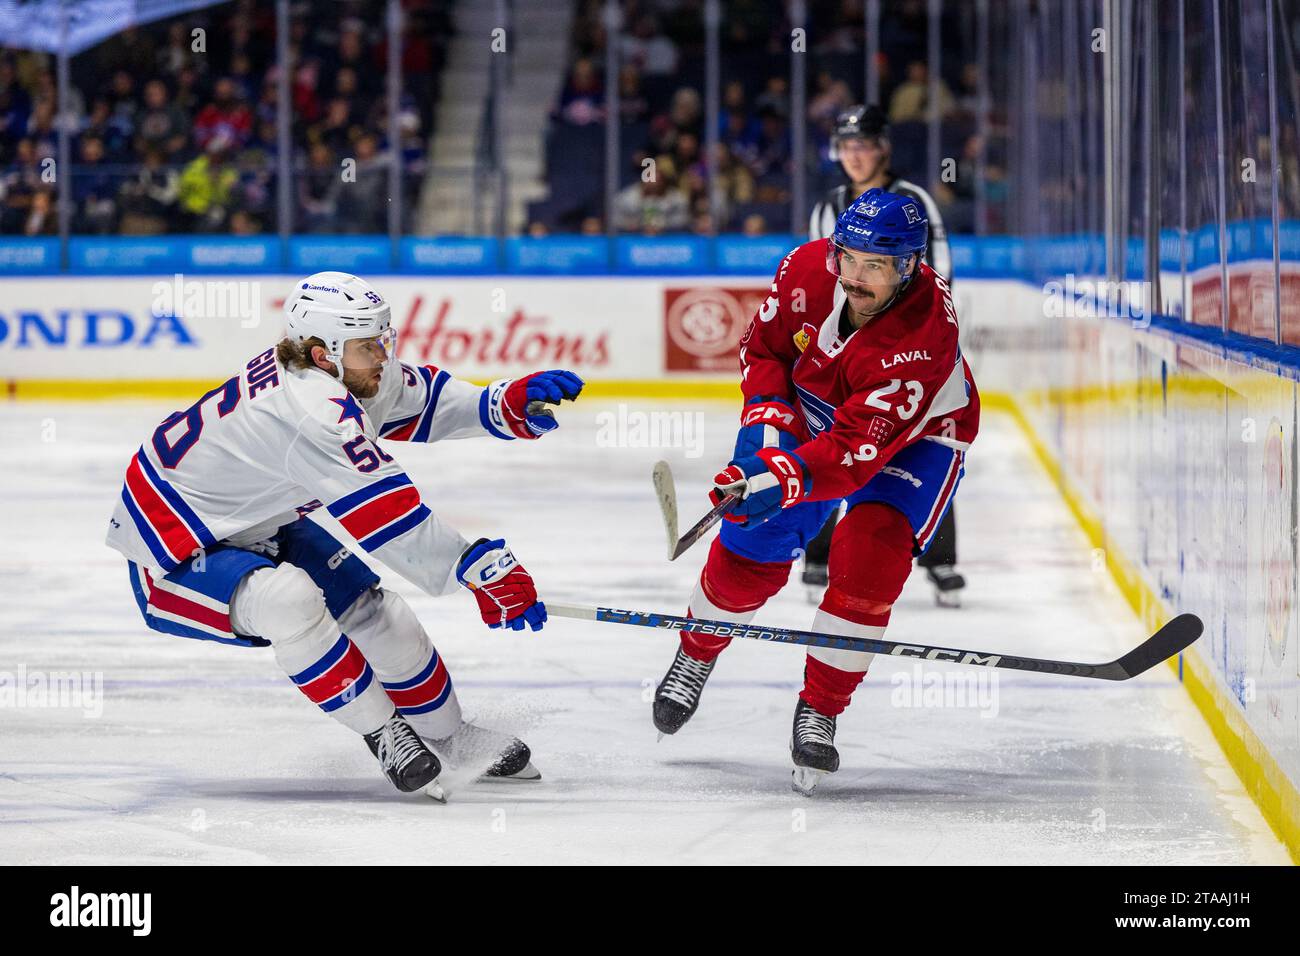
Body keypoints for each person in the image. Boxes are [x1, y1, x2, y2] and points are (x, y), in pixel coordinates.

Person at [105, 272, 584, 797]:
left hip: (256, 524)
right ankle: (386, 733)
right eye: (367, 346)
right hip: (172, 552)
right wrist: (475, 569)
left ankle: (447, 737)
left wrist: (499, 405)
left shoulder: (343, 369)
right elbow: (386, 518)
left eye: (384, 340)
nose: (382, 356)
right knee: (290, 601)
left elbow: (417, 398)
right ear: (320, 354)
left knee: (381, 615)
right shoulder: (310, 410)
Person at [651, 190, 979, 793]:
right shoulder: (806, 268)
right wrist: (768, 434)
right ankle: (697, 652)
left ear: (908, 266)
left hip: (916, 440)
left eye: (874, 266)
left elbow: (855, 454)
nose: (853, 277)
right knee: (754, 538)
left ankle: (821, 709)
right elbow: (765, 350)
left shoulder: (924, 330)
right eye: (847, 258)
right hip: (815, 412)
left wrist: (784, 476)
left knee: (869, 556)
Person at [807, 104, 964, 606]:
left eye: (865, 146)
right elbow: (819, 277)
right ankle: (819, 552)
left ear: (884, 149)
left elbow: (938, 274)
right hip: (845, 344)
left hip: (908, 348)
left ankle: (939, 561)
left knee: (926, 437)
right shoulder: (827, 205)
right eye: (846, 146)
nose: (854, 156)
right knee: (830, 436)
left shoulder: (914, 200)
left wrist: (917, 343)